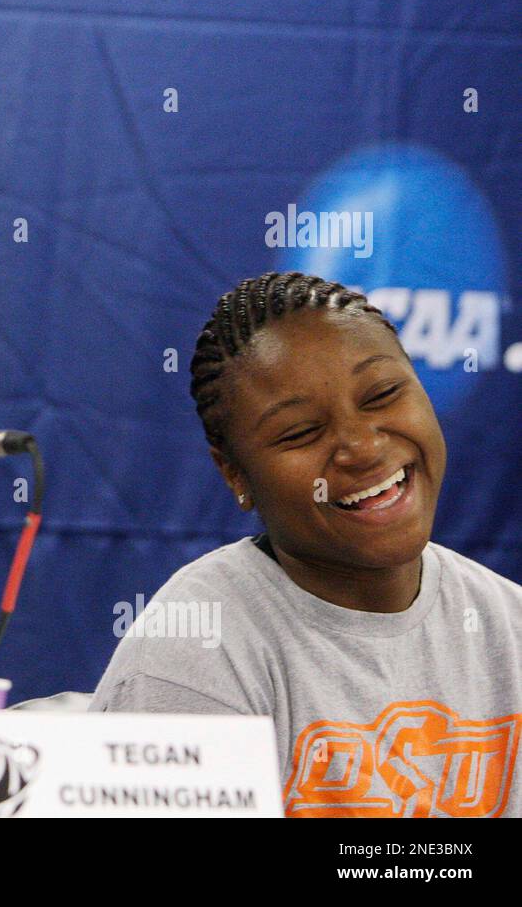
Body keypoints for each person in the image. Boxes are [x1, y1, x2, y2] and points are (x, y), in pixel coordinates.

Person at [88, 271, 522, 818]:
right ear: (234, 474)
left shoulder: (508, 623)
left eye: (383, 395)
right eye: (300, 433)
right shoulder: (197, 646)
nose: (362, 447)